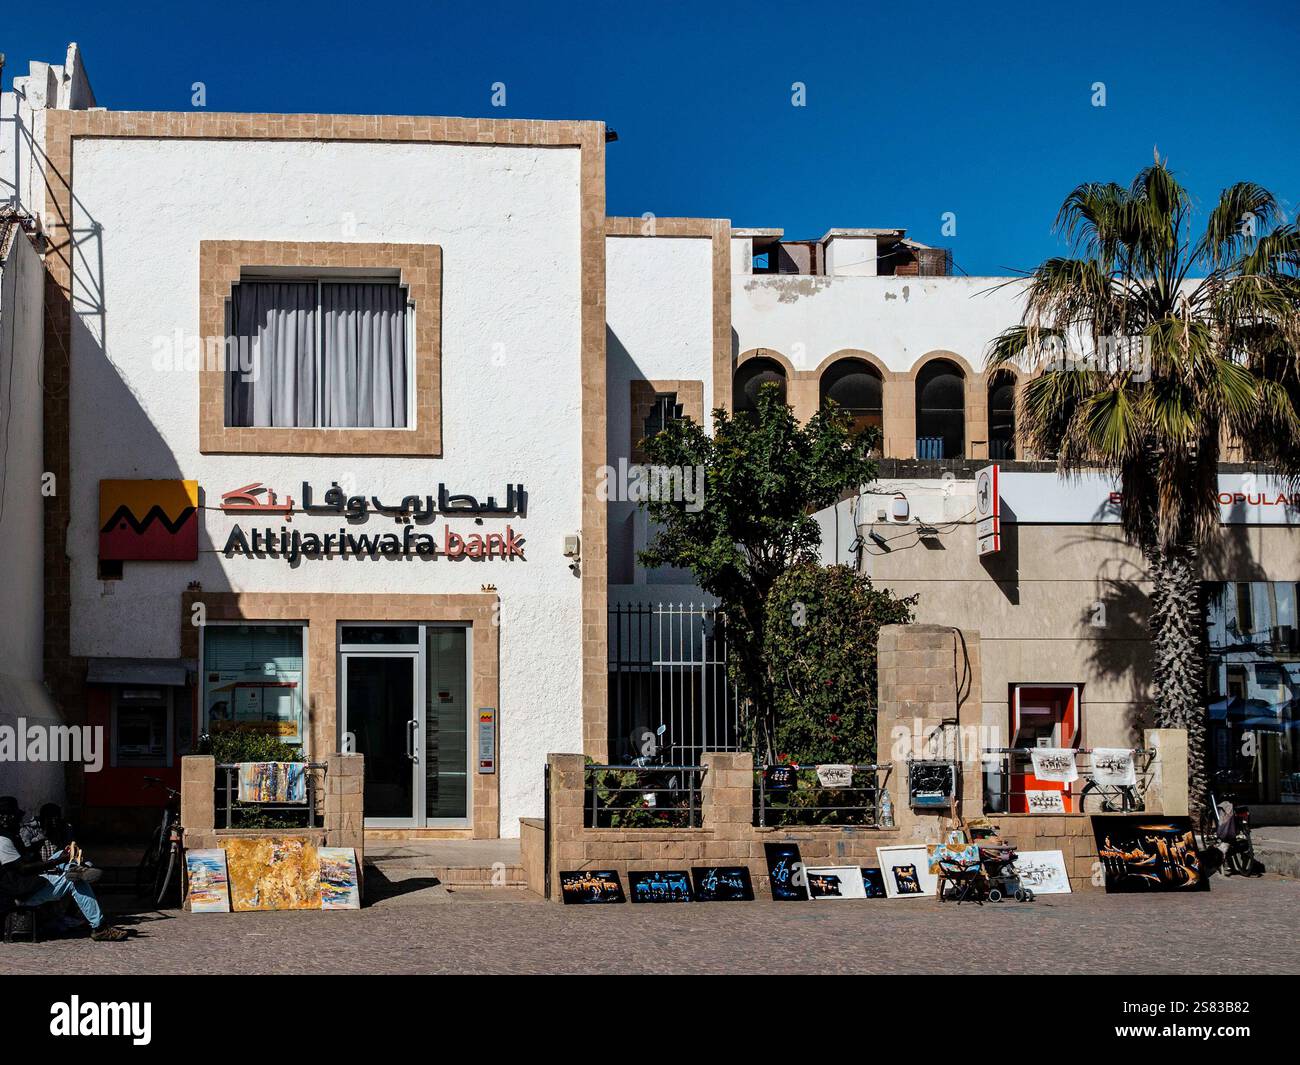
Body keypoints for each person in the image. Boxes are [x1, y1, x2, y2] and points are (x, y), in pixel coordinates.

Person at [0, 796, 128, 942]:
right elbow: (23, 869)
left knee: (63, 856)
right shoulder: (2, 841)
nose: (19, 821)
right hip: (18, 894)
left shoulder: (9, 836)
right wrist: (57, 861)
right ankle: (100, 928)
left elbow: (21, 863)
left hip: (24, 884)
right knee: (74, 881)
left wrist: (52, 855)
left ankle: (76, 868)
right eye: (15, 817)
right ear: (4, 818)